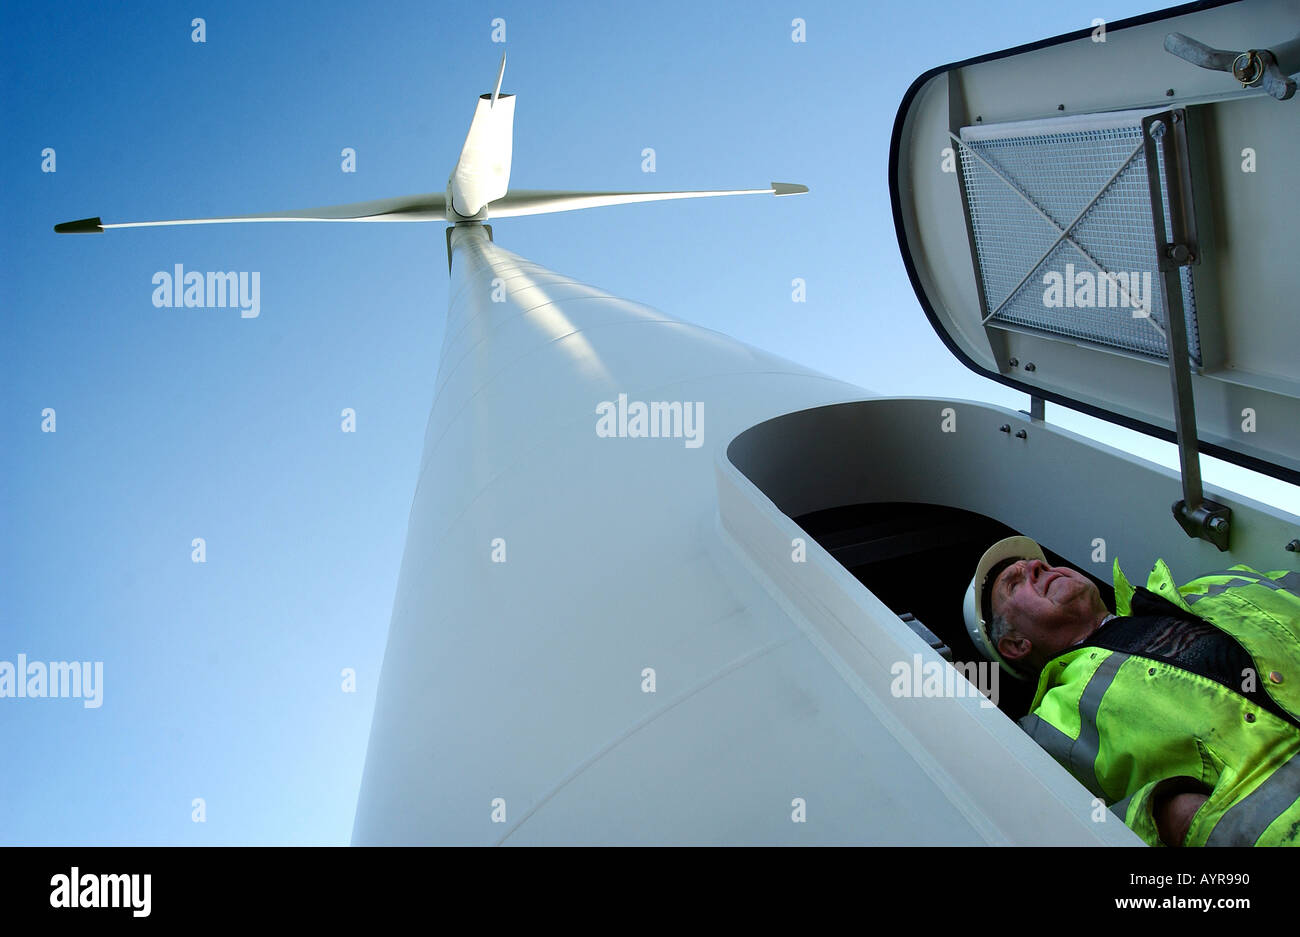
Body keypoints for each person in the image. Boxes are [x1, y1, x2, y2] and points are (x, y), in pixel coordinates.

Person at [963, 536, 1300, 847]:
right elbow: (1057, 832)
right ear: (1016, 645)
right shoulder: (1045, 734)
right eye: (1015, 582)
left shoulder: (1215, 587)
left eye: (1042, 565)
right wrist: (1165, 816)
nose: (1040, 566)